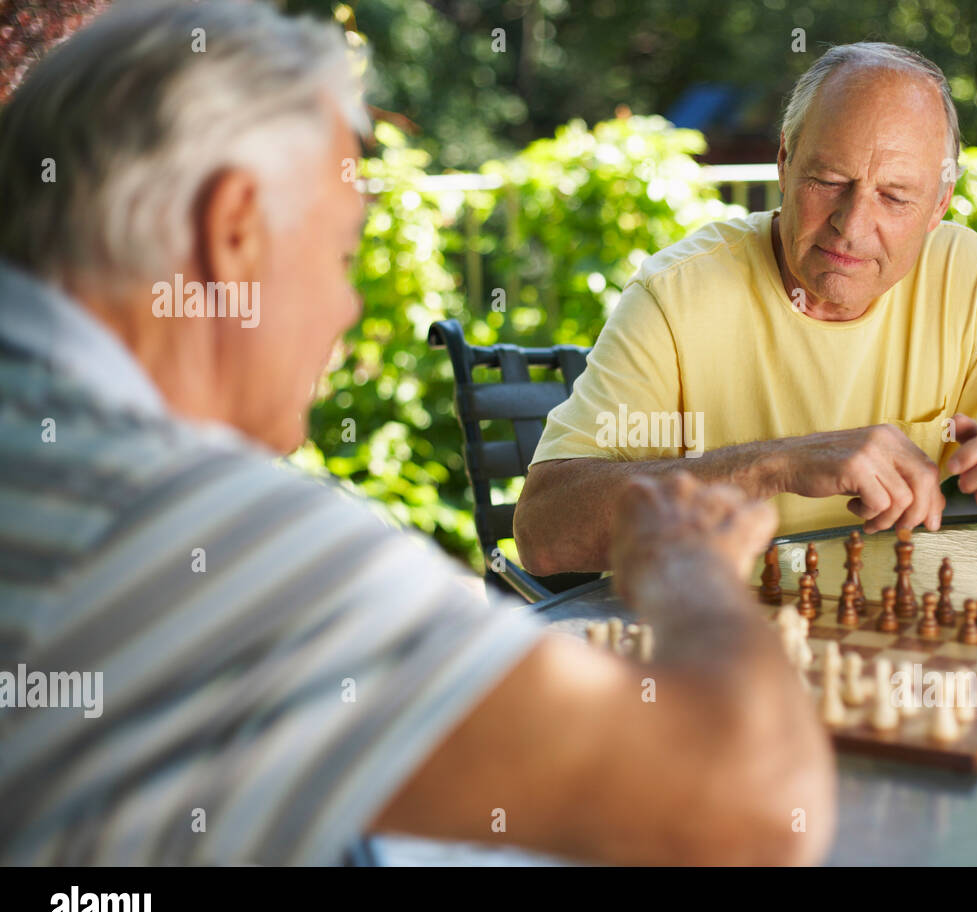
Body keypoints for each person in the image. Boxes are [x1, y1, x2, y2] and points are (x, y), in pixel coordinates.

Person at [0, 0, 834, 866]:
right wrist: (693, 575)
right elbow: (757, 810)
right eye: (340, 255)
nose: (347, 310)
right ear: (234, 231)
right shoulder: (182, 531)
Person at [515, 42, 977, 576]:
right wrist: (774, 465)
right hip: (713, 666)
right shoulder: (676, 294)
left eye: (895, 197)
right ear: (784, 164)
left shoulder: (967, 280)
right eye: (829, 182)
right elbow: (544, 531)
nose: (852, 226)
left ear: (939, 206)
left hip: (894, 660)